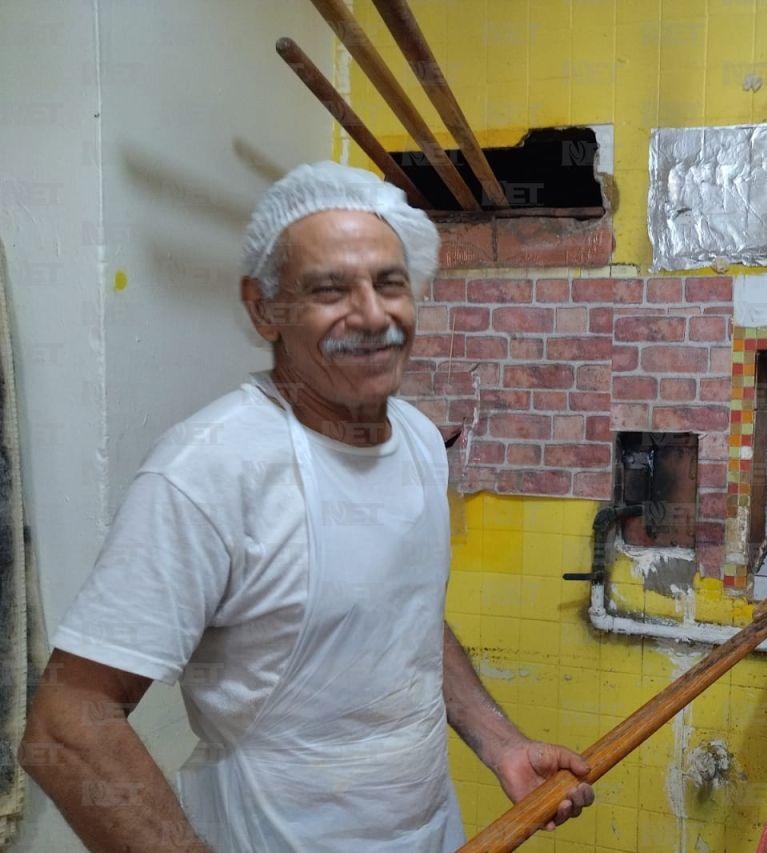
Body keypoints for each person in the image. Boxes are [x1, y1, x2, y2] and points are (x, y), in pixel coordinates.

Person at [20, 161, 594, 851]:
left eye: (390, 283)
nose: (374, 314)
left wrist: (502, 744)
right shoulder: (210, 468)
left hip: (430, 832)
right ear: (265, 307)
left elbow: (399, 618)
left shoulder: (416, 437)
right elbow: (66, 722)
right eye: (330, 289)